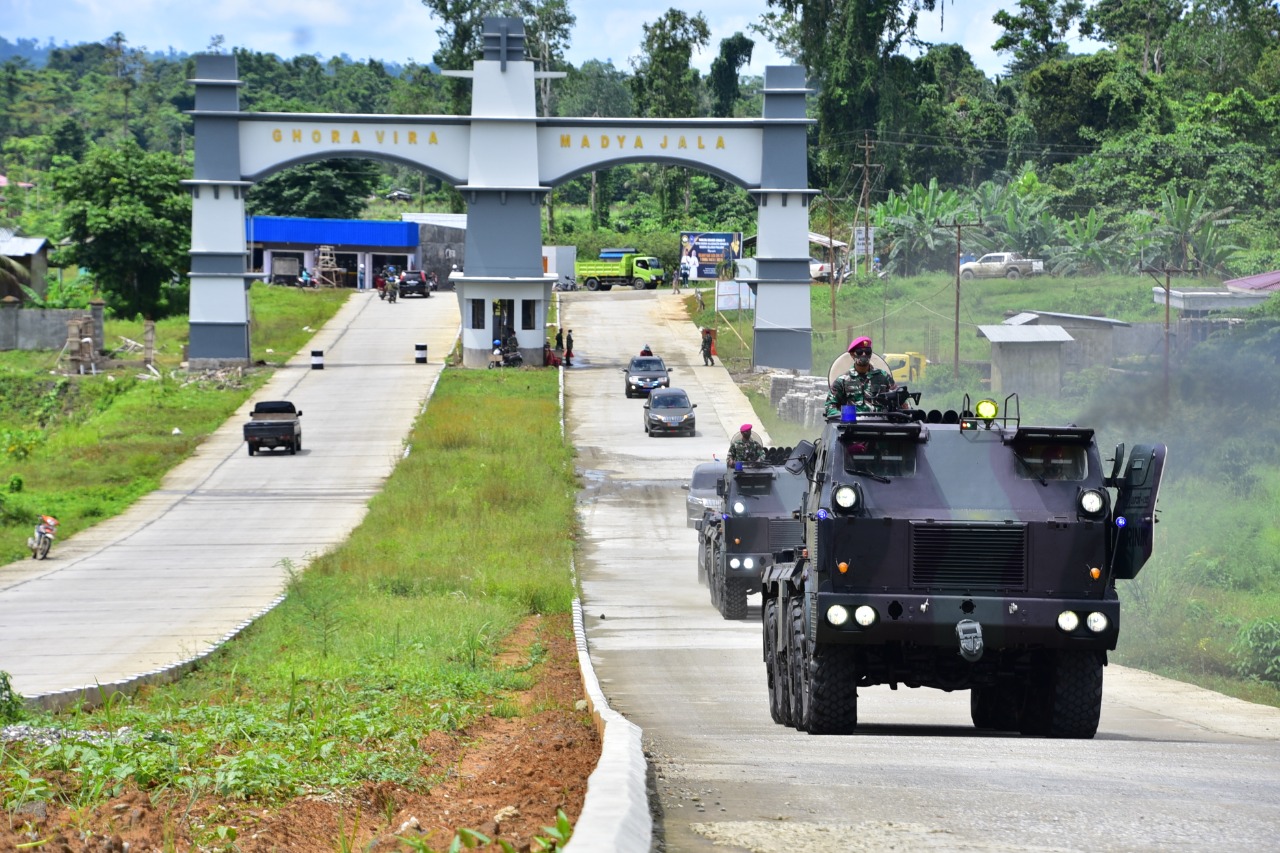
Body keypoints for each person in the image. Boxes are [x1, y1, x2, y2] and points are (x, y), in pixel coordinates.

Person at [824, 336, 897, 419]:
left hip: (880, 424)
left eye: (867, 351)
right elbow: (829, 406)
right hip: (852, 424)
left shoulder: (883, 377)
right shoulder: (842, 381)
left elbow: (900, 400)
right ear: (852, 354)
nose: (864, 354)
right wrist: (845, 417)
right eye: (859, 352)